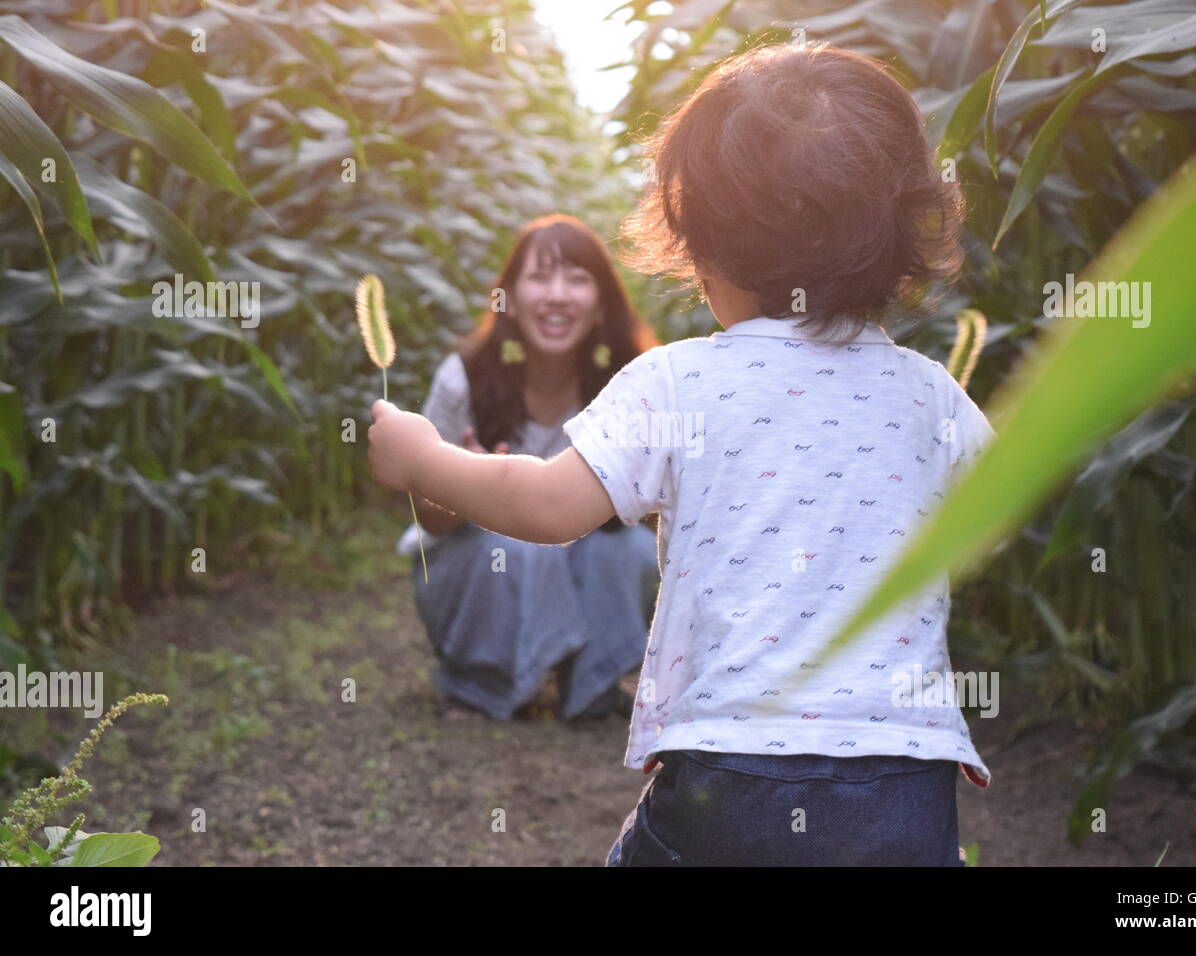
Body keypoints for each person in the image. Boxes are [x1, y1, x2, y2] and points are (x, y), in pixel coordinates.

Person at [369, 43, 994, 866]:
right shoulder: (931, 395)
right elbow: (989, 516)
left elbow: (549, 507)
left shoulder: (680, 379)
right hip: (906, 781)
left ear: (704, 239)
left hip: (733, 773)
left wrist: (421, 455)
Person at [395, 214, 662, 722]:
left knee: (630, 550)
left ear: (603, 301)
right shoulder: (465, 379)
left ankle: (592, 682)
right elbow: (428, 516)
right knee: (511, 548)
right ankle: (479, 685)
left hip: (585, 557)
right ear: (509, 298)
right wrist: (462, 484)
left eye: (577, 279)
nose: (557, 294)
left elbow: (658, 514)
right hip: (473, 562)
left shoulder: (629, 383)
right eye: (540, 277)